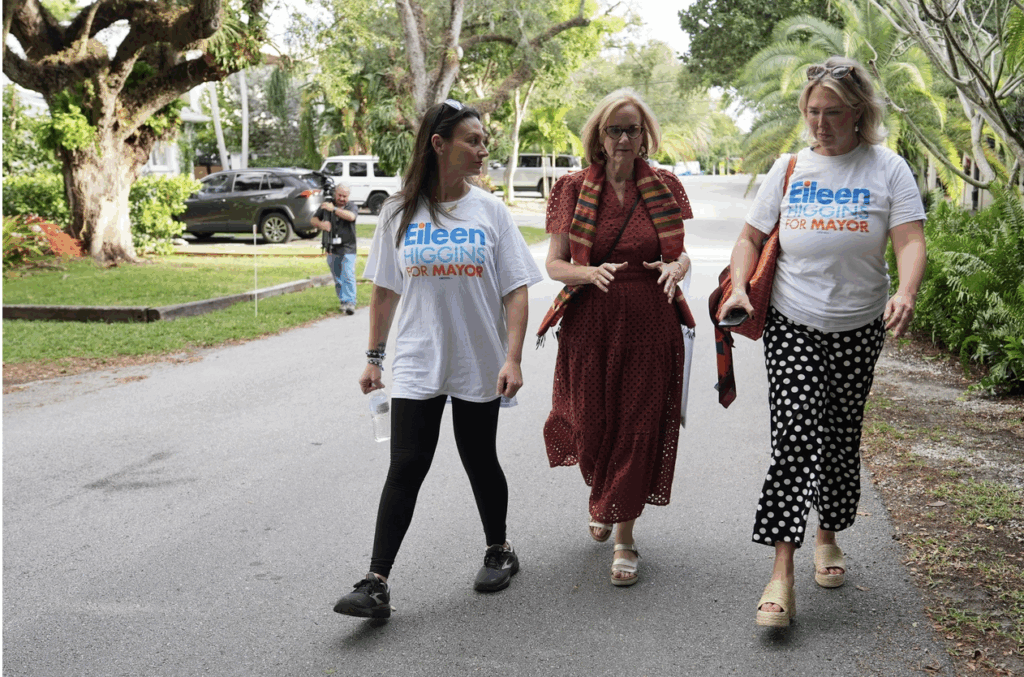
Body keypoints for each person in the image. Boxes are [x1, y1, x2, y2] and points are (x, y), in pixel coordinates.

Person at [716, 56, 927, 627]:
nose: (821, 123)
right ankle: (780, 575)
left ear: (860, 112)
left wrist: (905, 291)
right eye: (812, 111)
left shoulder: (887, 168)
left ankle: (827, 534)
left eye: (833, 112)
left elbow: (909, 239)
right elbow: (751, 237)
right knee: (793, 438)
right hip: (794, 320)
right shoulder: (789, 168)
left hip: (860, 326)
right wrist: (738, 286)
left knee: (838, 435)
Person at [333, 99, 543, 619]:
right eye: (472, 140)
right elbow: (384, 291)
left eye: (484, 140)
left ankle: (500, 549)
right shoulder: (398, 213)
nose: (482, 148)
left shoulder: (490, 211)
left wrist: (513, 358)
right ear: (439, 144)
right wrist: (373, 358)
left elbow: (517, 289)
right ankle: (376, 582)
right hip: (417, 357)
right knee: (406, 464)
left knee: (478, 457)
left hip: (478, 359)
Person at [538, 88, 697, 587]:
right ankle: (605, 494)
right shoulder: (572, 188)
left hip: (652, 321)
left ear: (645, 135)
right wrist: (589, 275)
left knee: (639, 427)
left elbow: (681, 256)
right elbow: (556, 265)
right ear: (598, 137)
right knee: (591, 425)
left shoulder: (666, 184)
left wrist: (675, 267)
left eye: (633, 129)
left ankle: (624, 534)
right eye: (615, 129)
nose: (625, 138)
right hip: (591, 324)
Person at [311, 183, 359, 315]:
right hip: (332, 247)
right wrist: (321, 224)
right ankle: (343, 301)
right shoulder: (327, 205)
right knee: (337, 276)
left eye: (345, 196)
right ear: (335, 193)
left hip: (348, 247)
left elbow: (351, 217)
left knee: (348, 274)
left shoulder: (351, 206)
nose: (342, 198)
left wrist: (334, 210)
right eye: (340, 195)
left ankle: (350, 302)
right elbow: (313, 219)